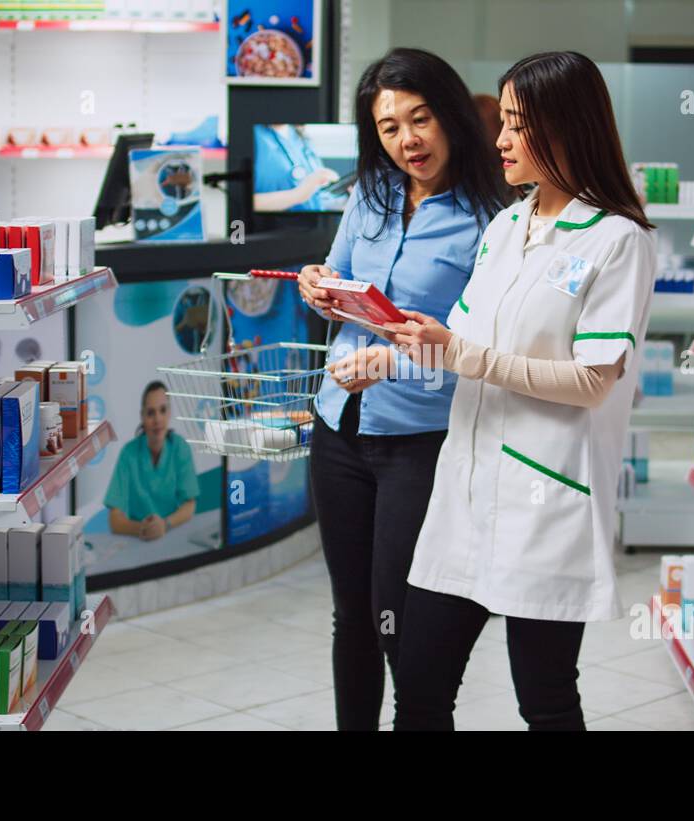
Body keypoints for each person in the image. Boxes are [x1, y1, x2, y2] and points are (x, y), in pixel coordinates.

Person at [384, 51, 658, 731]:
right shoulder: (505, 227)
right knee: (418, 691)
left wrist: (462, 353)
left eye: (516, 124)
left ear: (564, 128)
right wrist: (392, 351)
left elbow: (592, 381)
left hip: (544, 502)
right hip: (465, 494)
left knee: (545, 702)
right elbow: (465, 343)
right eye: (502, 122)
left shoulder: (616, 240)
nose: (500, 139)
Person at [296, 47, 508, 731]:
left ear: (449, 115)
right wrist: (316, 287)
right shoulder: (370, 195)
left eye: (420, 119)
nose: (407, 139)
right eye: (389, 127)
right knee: (351, 613)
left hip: (422, 440)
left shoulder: (491, 219)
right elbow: (334, 278)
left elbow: (478, 351)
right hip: (339, 428)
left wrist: (393, 363)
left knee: (398, 617)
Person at [105, 381, 199, 541]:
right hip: (138, 540)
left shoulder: (180, 447)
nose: (157, 419)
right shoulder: (129, 454)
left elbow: (190, 505)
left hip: (173, 535)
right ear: (142, 416)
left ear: (169, 412)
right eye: (150, 413)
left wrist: (165, 524)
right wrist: (142, 529)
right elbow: (114, 519)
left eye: (163, 410)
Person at [253, 124, 340, 212]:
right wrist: (297, 195)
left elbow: (316, 200)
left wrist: (341, 204)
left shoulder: (299, 135)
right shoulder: (256, 135)